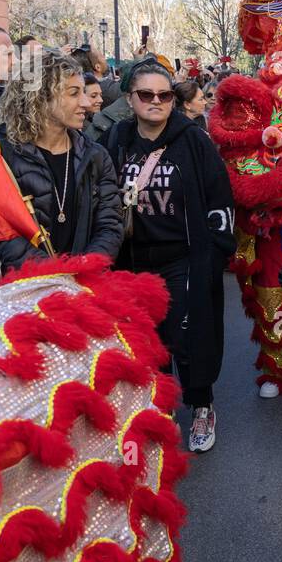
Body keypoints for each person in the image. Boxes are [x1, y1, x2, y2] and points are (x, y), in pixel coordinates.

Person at [104, 60, 235, 454]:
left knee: (189, 336)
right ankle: (159, 409)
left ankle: (201, 406)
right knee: (146, 340)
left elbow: (219, 197)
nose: (156, 102)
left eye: (165, 95)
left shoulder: (193, 141)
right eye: (146, 95)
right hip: (133, 259)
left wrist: (214, 254)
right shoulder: (117, 139)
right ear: (131, 99)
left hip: (185, 257)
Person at [0, 52, 123, 282]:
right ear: (40, 97)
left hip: (83, 287)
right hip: (22, 291)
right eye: (74, 93)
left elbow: (110, 224)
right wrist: (53, 273)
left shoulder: (96, 155)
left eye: (83, 92)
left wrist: (85, 268)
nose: (85, 102)